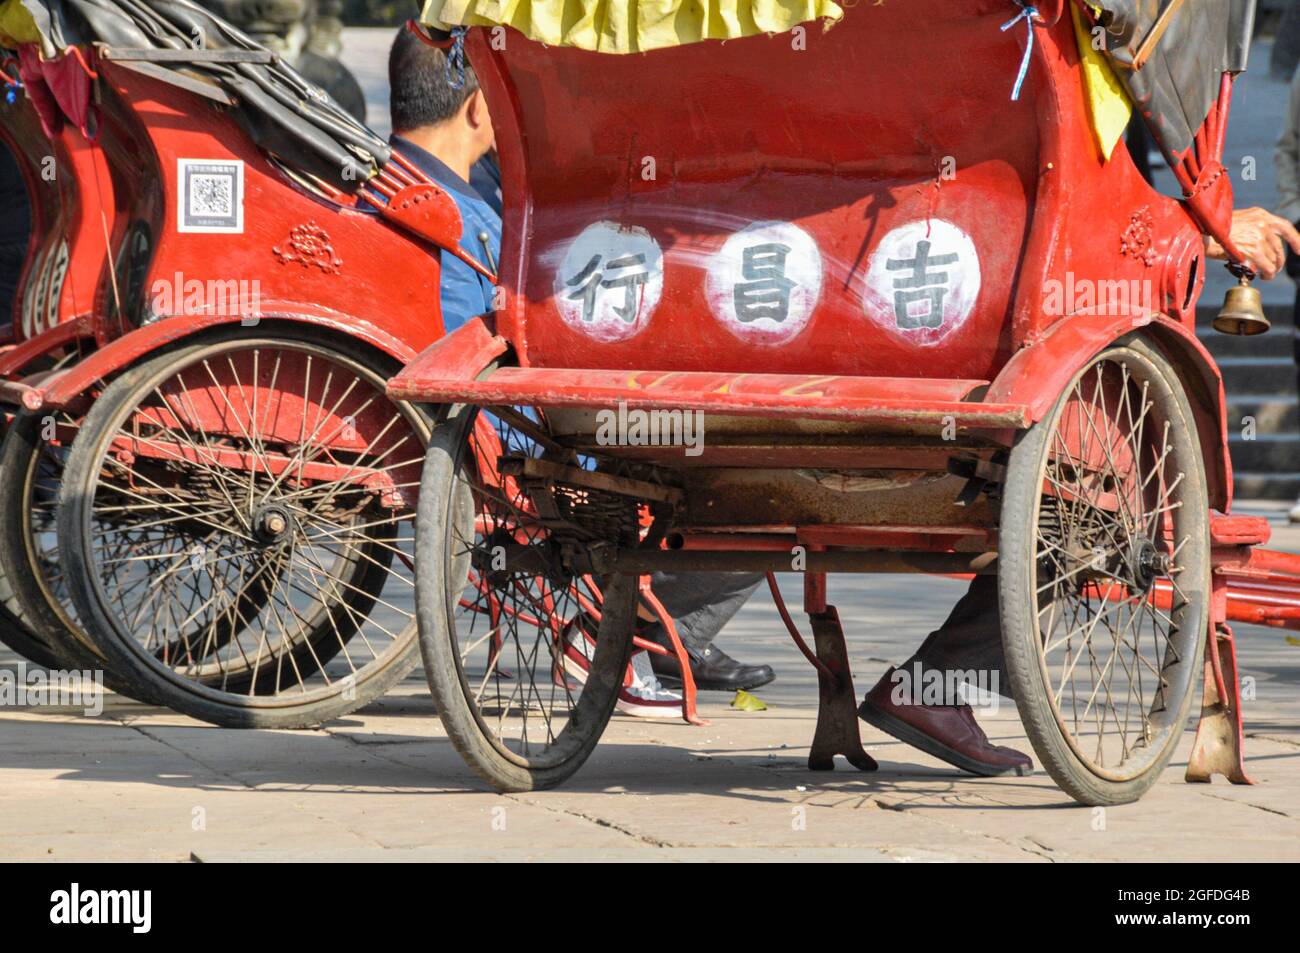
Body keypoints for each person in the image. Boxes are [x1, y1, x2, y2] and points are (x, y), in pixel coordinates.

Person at [386, 27, 773, 717]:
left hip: (499, 415)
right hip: (518, 440)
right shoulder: (458, 220)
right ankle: (625, 638)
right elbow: (468, 369)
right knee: (760, 485)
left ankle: (666, 630)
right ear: (481, 110)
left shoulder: (404, 189)